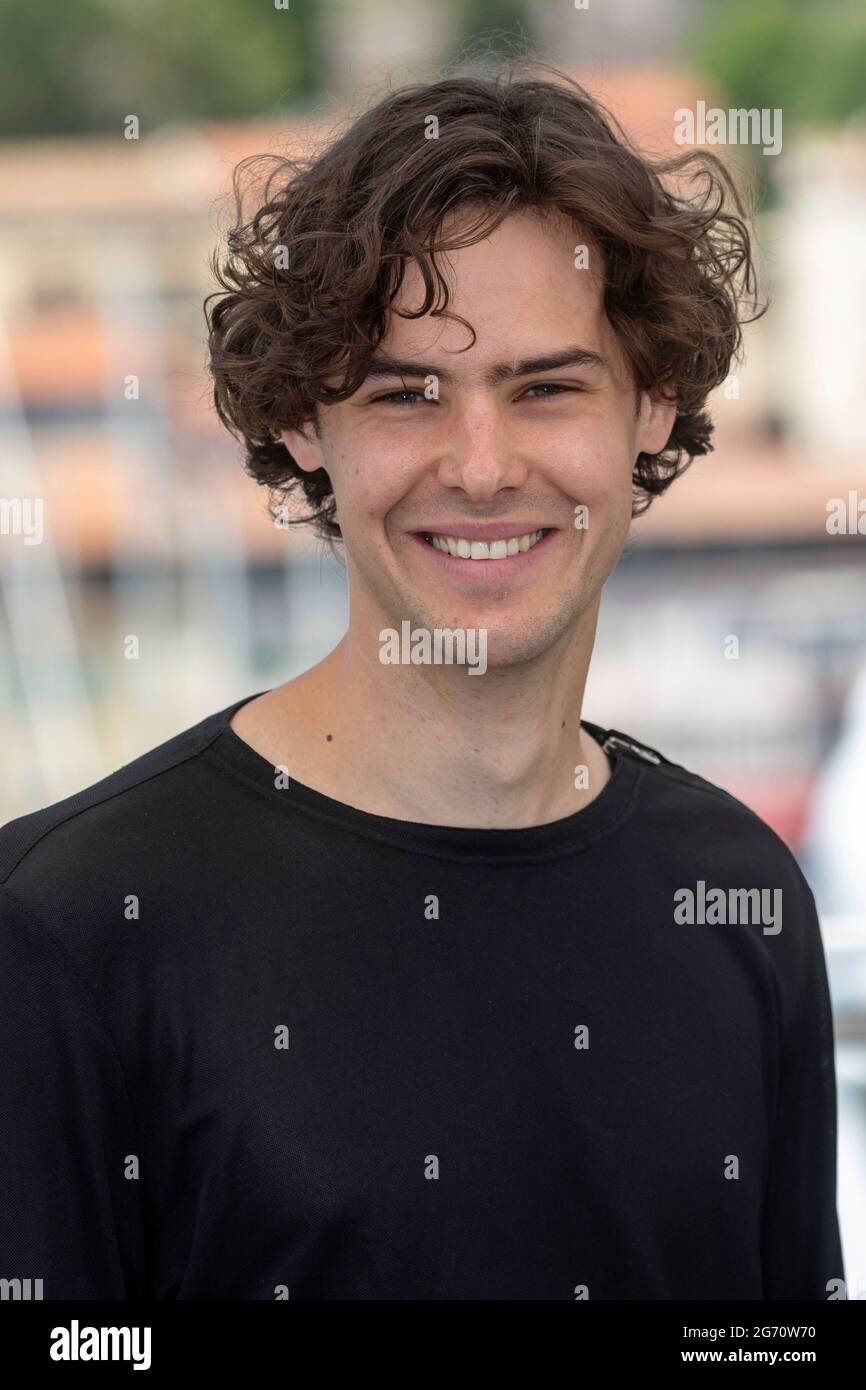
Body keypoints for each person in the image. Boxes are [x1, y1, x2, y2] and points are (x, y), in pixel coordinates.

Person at [0, 61, 845, 1300]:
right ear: (303, 425)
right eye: (407, 394)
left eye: (544, 387)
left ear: (651, 406)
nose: (483, 465)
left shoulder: (738, 898)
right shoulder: (68, 926)